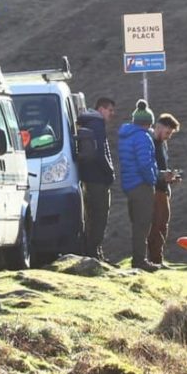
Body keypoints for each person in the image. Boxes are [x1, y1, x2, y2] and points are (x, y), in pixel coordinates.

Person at [118, 99, 160, 272]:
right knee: (142, 224)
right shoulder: (142, 137)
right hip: (141, 185)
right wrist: (152, 179)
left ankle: (139, 258)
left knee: (137, 223)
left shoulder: (125, 136)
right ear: (148, 122)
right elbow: (144, 164)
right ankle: (140, 260)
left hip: (129, 184)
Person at [77, 97, 116, 261]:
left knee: (91, 216)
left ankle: (94, 252)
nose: (112, 114)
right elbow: (100, 153)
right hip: (98, 179)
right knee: (100, 217)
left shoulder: (87, 123)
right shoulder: (97, 125)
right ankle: (94, 253)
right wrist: (110, 172)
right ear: (101, 109)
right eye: (110, 110)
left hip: (88, 178)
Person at [148, 113, 181, 267]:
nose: (168, 136)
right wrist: (163, 176)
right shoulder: (149, 143)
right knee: (157, 225)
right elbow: (148, 168)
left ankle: (157, 257)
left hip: (163, 189)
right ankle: (155, 259)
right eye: (167, 132)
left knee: (162, 224)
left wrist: (171, 177)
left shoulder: (162, 144)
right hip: (155, 190)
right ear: (159, 127)